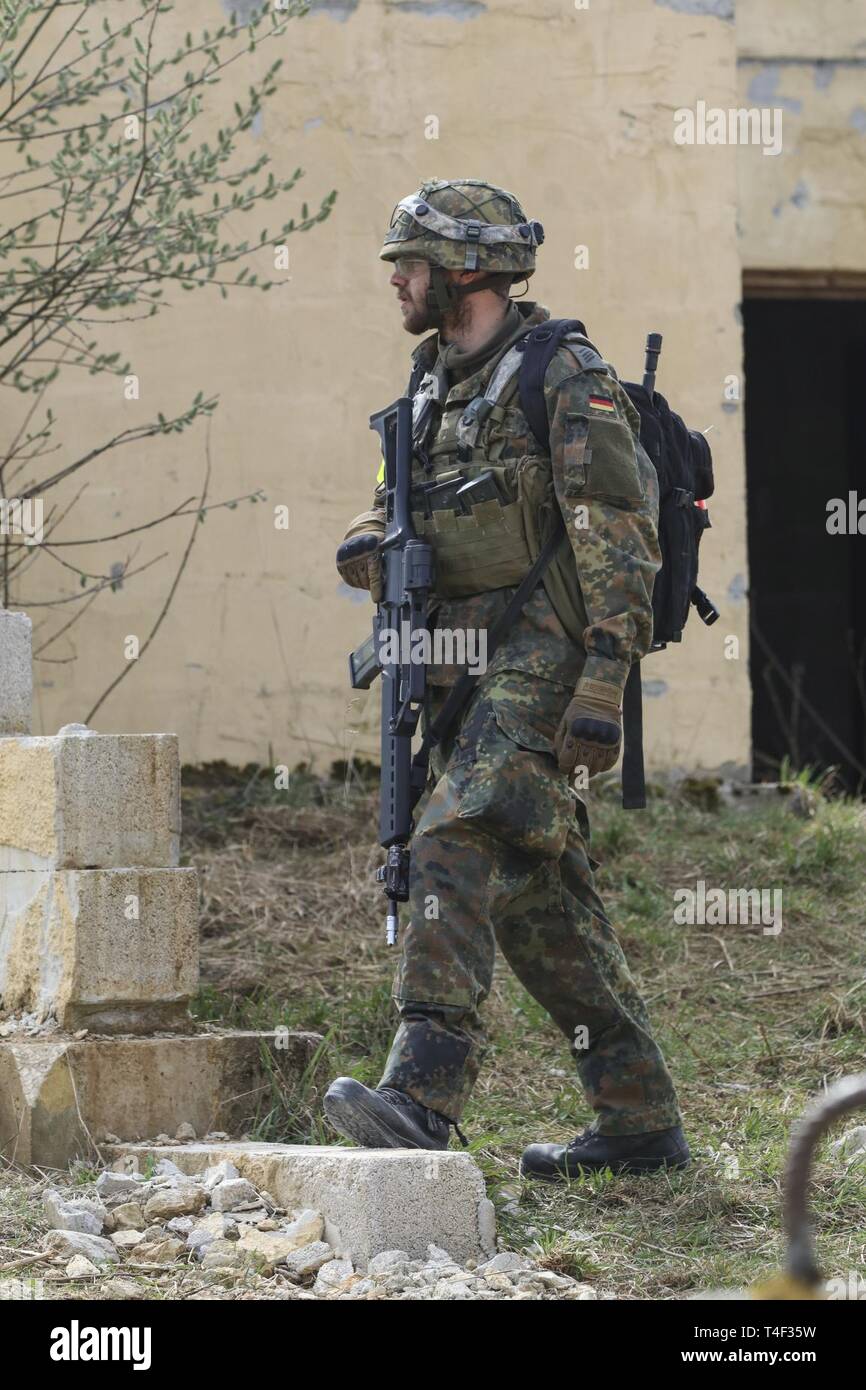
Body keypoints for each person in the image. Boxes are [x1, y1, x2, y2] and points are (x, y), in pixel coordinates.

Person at [326, 179, 689, 1179]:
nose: (395, 278)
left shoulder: (560, 375)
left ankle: (421, 1095)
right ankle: (638, 1126)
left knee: (453, 831)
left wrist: (601, 688)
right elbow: (385, 509)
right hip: (453, 663)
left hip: (548, 655)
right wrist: (369, 549)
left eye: (409, 261)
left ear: (466, 270)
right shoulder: (422, 386)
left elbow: (621, 535)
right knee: (540, 899)